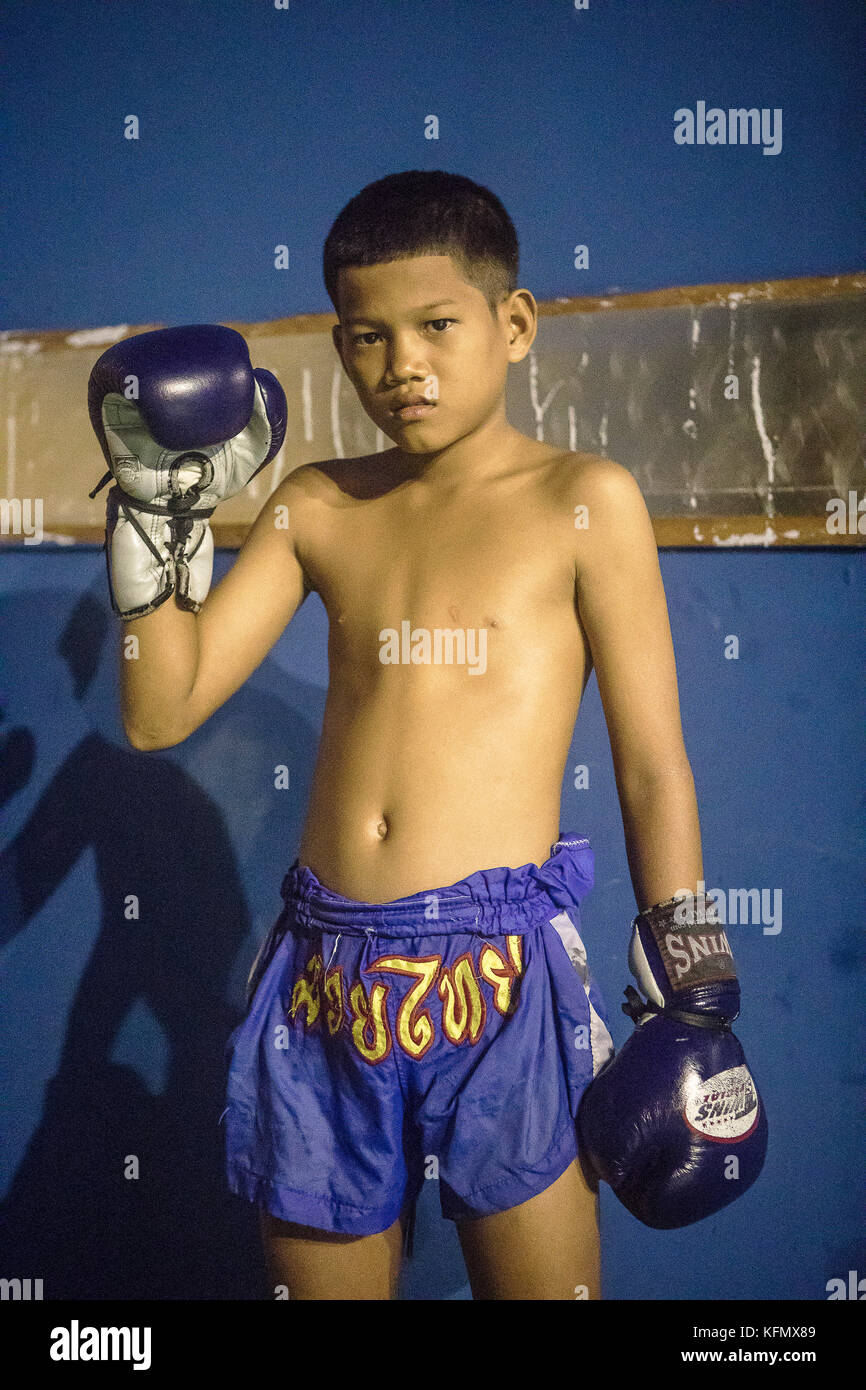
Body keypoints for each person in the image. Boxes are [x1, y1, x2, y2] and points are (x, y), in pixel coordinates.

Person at [87, 169, 766, 1301]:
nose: (399, 364)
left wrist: (689, 983)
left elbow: (651, 764)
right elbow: (159, 710)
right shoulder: (318, 503)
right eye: (365, 336)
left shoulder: (581, 500)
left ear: (513, 324)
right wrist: (154, 518)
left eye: (435, 325)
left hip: (498, 972)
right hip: (324, 977)